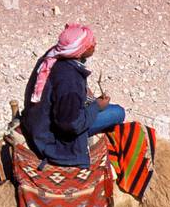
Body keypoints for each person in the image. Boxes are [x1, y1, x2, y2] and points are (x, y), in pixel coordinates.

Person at [21, 23, 125, 168]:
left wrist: (86, 98)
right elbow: (70, 125)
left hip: (37, 122)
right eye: (90, 43)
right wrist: (96, 106)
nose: (94, 44)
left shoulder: (52, 57)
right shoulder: (69, 78)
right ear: (80, 50)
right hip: (53, 137)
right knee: (118, 112)